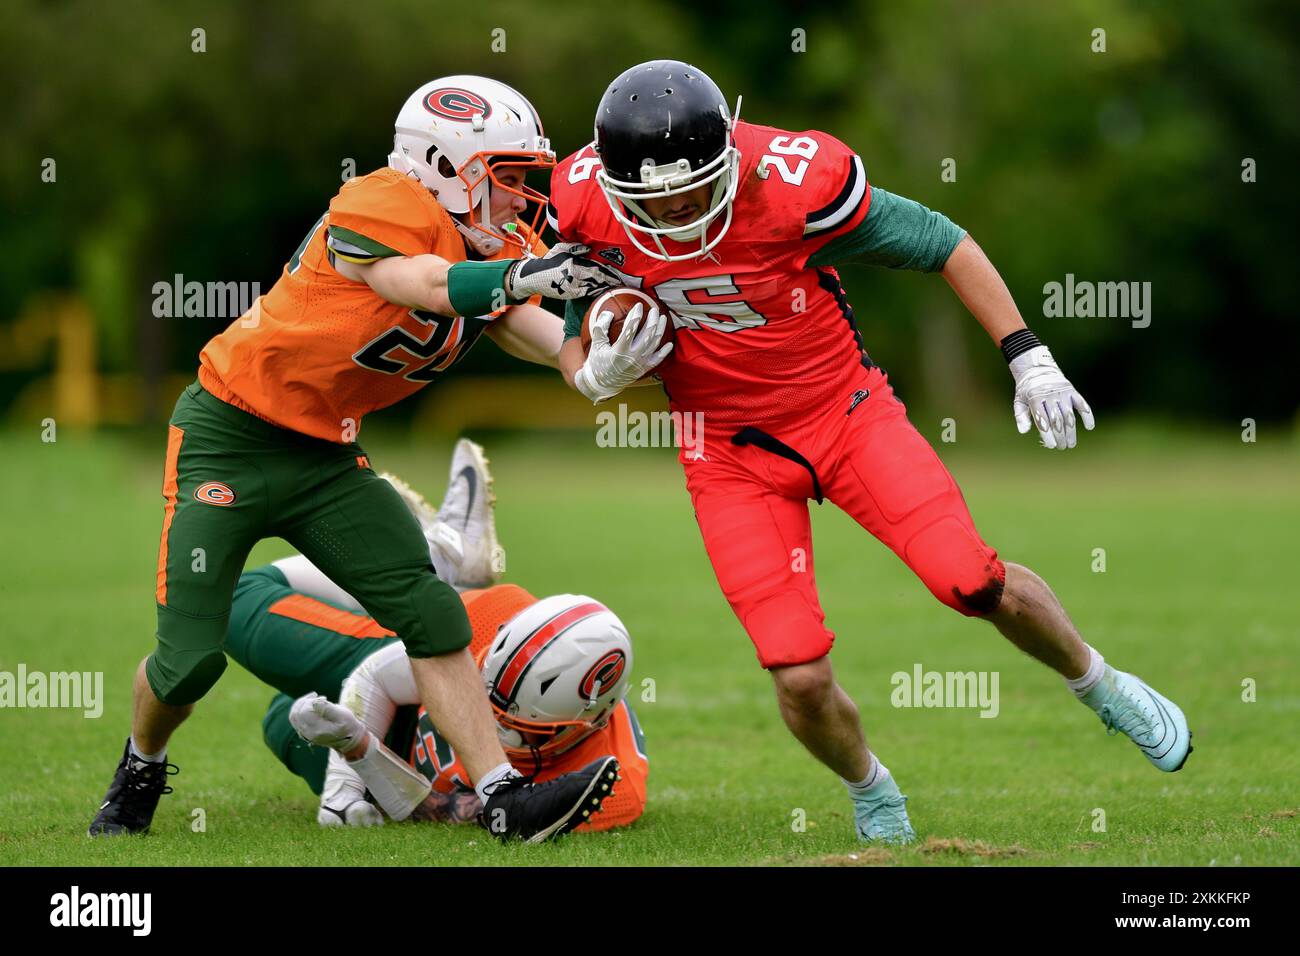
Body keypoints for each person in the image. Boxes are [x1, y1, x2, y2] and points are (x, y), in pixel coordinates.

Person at [546, 59, 1191, 844]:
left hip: (846, 416)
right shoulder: (585, 204)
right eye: (655, 200)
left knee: (971, 580)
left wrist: (1026, 352)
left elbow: (943, 242)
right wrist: (596, 374)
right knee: (798, 672)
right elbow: (576, 339)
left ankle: (1100, 683)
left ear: (730, 155)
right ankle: (873, 792)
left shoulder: (792, 183)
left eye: (692, 187)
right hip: (726, 451)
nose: (679, 210)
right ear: (612, 185)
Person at [89, 75, 623, 842]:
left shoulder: (495, 239)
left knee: (431, 610)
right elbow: (423, 283)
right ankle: (140, 766)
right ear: (443, 164)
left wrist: (586, 369)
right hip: (228, 438)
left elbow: (517, 318)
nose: (518, 196)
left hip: (323, 454)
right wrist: (518, 277)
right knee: (190, 665)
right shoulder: (381, 201)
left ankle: (502, 795)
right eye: (505, 175)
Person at [222, 440, 647, 833]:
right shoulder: (491, 622)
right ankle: (434, 567)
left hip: (399, 750)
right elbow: (377, 677)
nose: (491, 722)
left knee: (283, 719)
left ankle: (433, 573)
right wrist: (342, 789)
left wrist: (361, 748)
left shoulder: (614, 788)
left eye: (519, 728)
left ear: (585, 724)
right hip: (403, 668)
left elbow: (455, 810)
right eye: (487, 697)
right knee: (231, 598)